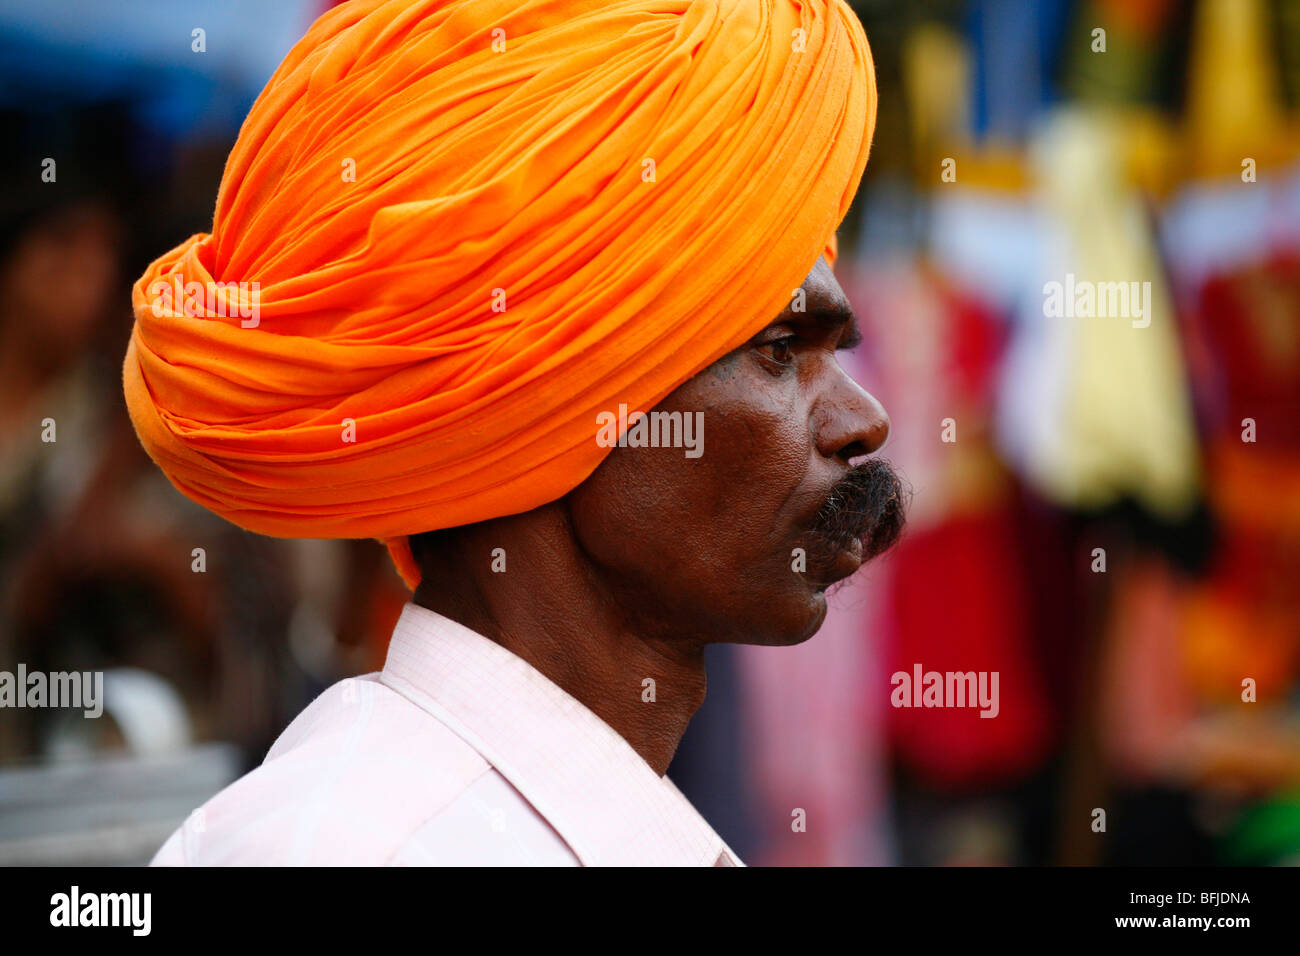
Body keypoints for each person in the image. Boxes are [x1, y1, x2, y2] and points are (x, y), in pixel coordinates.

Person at [132, 0, 904, 865]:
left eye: (836, 353)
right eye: (777, 351)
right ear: (556, 398)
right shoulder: (353, 848)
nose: (863, 420)